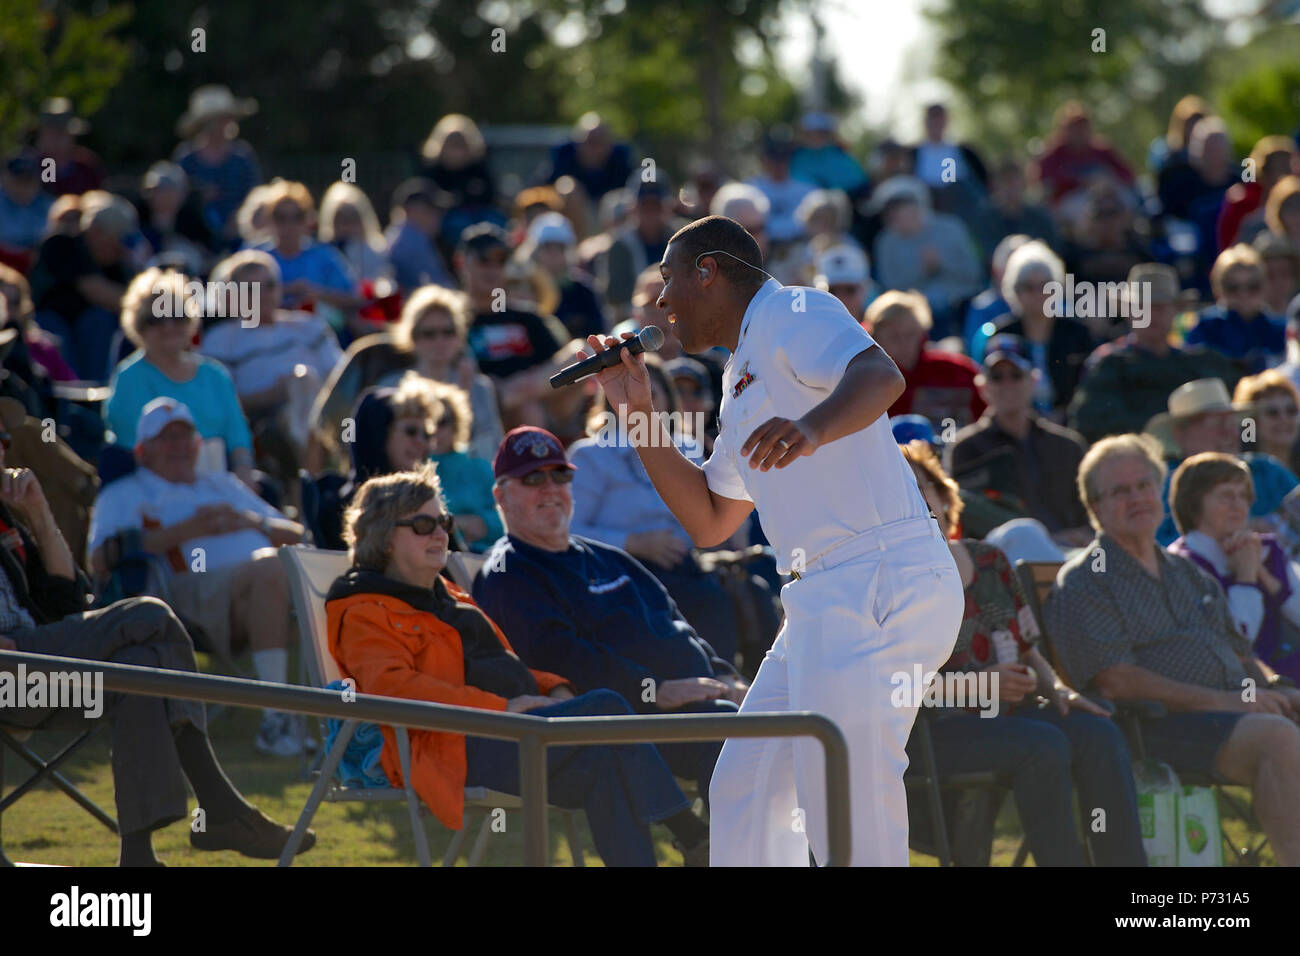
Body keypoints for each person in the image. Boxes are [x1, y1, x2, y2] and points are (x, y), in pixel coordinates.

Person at [580, 214, 964, 866]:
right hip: (823, 596)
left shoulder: (792, 308)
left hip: (874, 574)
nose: (661, 300)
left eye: (670, 277)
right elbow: (708, 521)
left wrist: (811, 428)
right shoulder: (737, 382)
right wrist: (635, 410)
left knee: (845, 803)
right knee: (745, 788)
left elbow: (881, 377)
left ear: (710, 271)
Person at [328, 462, 710, 866]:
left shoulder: (450, 596)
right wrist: (500, 708)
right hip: (455, 745)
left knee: (605, 765)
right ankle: (692, 833)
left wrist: (553, 689)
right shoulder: (363, 609)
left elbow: (506, 664)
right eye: (423, 525)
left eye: (443, 521)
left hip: (511, 732)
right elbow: (393, 691)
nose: (441, 533)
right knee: (606, 706)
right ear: (384, 537)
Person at [0, 445, 312, 865]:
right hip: (10, 679)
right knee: (148, 614)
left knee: (140, 669)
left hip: (44, 684)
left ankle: (137, 856)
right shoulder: (127, 492)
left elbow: (66, 604)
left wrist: (37, 514)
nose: (4, 453)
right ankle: (219, 805)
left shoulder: (7, 522)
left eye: (4, 442)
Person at [1046, 433, 1300, 866]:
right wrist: (1229, 701)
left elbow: (1240, 653)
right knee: (1276, 738)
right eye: (1120, 491)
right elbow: (1115, 679)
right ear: (1096, 507)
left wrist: (1277, 688)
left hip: (1230, 712)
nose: (1138, 498)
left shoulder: (1185, 572)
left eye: (1144, 485)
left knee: (1283, 721)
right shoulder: (1088, 579)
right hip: (1155, 728)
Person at [900, 440, 1146, 866]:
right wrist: (979, 686)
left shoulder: (990, 560)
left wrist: (1057, 688)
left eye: (922, 487)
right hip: (929, 729)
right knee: (1041, 744)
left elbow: (1028, 646)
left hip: (1006, 715)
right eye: (900, 491)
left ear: (945, 498)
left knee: (1098, 731)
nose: (916, 500)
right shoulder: (892, 582)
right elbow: (893, 691)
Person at [473, 426, 746, 801]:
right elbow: (560, 657)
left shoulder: (606, 556)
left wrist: (724, 675)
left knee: (781, 722)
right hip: (620, 729)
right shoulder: (510, 572)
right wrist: (655, 690)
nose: (550, 488)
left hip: (689, 707)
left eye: (560, 475)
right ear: (500, 496)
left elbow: (673, 620)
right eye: (533, 478)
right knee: (735, 734)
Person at [87, 397, 307, 756]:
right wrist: (188, 529)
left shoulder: (222, 484)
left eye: (184, 437)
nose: (178, 446)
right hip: (185, 594)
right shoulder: (124, 494)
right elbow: (100, 560)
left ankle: (357, 724)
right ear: (143, 450)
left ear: (197, 444)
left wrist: (250, 522)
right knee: (271, 568)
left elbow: (300, 535)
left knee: (322, 574)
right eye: (166, 438)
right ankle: (277, 719)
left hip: (259, 586)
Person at [568, 358, 744, 666]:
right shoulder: (590, 454)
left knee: (745, 583)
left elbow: (714, 523)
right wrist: (633, 543)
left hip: (683, 567)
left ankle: (728, 683)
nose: (642, 401)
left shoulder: (687, 447)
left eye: (652, 394)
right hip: (615, 572)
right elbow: (568, 531)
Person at [313, 285, 504, 467]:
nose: (440, 341)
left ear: (460, 337)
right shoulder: (391, 387)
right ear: (412, 337)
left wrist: (465, 399)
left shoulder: (479, 388)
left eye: (448, 332)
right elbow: (376, 451)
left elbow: (491, 453)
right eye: (429, 334)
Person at [201, 250, 342, 480]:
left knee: (304, 381)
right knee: (300, 384)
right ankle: (312, 472)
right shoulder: (221, 340)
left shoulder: (310, 326)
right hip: (264, 420)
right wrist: (272, 394)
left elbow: (341, 379)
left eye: (269, 284)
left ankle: (308, 469)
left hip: (323, 408)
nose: (263, 294)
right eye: (250, 289)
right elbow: (220, 403)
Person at [105, 268, 255, 484]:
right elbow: (133, 444)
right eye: (156, 318)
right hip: (154, 485)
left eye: (176, 315)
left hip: (220, 479)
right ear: (139, 326)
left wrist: (244, 471)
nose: (168, 326)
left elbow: (238, 436)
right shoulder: (128, 378)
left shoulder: (214, 374)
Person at [1068, 263, 1241, 443]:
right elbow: (1089, 424)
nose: (1151, 315)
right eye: (1142, 307)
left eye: (1159, 307)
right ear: (1128, 312)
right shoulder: (1108, 364)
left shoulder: (1203, 363)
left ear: (1176, 311)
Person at [949, 334, 1093, 547]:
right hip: (1003, 565)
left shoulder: (1068, 446)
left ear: (1033, 381)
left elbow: (1092, 514)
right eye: (997, 376)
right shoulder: (966, 449)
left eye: (1016, 374)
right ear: (982, 387)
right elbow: (967, 521)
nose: (1007, 384)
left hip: (1071, 559)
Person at [1168, 452, 1300, 684]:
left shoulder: (1265, 547)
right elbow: (1239, 640)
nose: (1238, 505)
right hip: (1242, 685)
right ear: (1194, 504)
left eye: (1243, 496)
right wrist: (1246, 578)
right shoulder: (1182, 563)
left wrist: (1262, 573)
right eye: (1226, 496)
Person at [1146, 377, 1299, 546]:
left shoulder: (1266, 470)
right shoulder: (1160, 486)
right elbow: (1154, 550)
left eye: (1231, 422)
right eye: (1215, 423)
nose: (1228, 431)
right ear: (1180, 435)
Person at [28, 191, 141, 382]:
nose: (120, 249)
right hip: (48, 322)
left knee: (99, 321)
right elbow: (99, 292)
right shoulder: (61, 244)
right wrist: (144, 301)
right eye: (115, 241)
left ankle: (95, 396)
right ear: (95, 232)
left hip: (89, 329)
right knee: (55, 331)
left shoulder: (117, 260)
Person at [982, 240, 1095, 420]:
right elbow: (994, 389)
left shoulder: (1077, 334)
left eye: (1045, 286)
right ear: (1015, 291)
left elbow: (1088, 388)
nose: (1038, 294)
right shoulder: (1002, 333)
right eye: (1028, 287)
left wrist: (1064, 414)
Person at [871, 175, 982, 337]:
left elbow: (974, 274)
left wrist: (942, 264)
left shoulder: (952, 228)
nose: (893, 215)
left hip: (959, 310)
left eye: (901, 207)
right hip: (911, 319)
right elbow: (890, 286)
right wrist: (923, 271)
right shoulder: (886, 241)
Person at [251, 180, 361, 336]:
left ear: (308, 220)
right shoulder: (254, 256)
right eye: (281, 217)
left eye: (297, 217)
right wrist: (281, 292)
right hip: (262, 337)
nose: (289, 225)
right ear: (270, 219)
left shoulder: (324, 255)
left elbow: (354, 298)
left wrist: (317, 294)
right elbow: (230, 301)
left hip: (317, 339)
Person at [865, 291, 984, 429]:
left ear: (922, 333)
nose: (904, 343)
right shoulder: (867, 382)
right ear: (875, 338)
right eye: (893, 336)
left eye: (910, 334)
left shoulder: (959, 372)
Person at [172, 86, 262, 244]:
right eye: (217, 120)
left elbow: (254, 194)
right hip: (194, 239)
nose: (222, 125)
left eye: (226, 119)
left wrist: (239, 218)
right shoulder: (186, 158)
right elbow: (176, 200)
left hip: (241, 235)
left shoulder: (242, 156)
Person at [426, 381, 501, 553]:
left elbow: (510, 517)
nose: (434, 430)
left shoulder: (480, 469)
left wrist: (484, 523)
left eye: (442, 421)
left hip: (482, 558)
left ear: (456, 423)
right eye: (428, 421)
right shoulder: (409, 471)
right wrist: (460, 524)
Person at [1186, 243, 1285, 373]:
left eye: (1252, 286)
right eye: (1232, 287)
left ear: (1265, 286)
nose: (1243, 294)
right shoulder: (1205, 326)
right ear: (1218, 288)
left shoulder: (1280, 329)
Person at [417, 114, 500, 247]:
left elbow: (490, 196)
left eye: (461, 145)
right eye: (452, 145)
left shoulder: (479, 169)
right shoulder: (432, 171)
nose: (457, 151)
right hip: (446, 221)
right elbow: (428, 198)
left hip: (479, 217)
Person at [521, 211, 606, 340]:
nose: (554, 254)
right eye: (547, 247)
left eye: (560, 248)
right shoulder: (521, 288)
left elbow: (600, 333)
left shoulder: (585, 290)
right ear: (535, 251)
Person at [1033, 101, 1135, 208]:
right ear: (1063, 130)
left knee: (1127, 198)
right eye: (1074, 128)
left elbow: (1128, 175)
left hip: (1106, 196)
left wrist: (1108, 179)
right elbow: (1044, 184)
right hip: (1070, 203)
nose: (1079, 132)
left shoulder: (1102, 150)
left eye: (1082, 127)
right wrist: (1078, 182)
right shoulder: (1053, 154)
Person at [134, 162, 213, 276]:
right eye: (157, 191)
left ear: (182, 194)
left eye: (169, 191)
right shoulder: (138, 221)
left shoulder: (196, 224)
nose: (163, 197)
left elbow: (208, 257)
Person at [541, 113, 635, 207]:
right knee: (566, 186)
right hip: (572, 216)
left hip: (609, 217)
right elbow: (540, 190)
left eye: (600, 141)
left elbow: (632, 195)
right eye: (590, 142)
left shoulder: (620, 162)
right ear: (577, 143)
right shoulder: (563, 160)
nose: (595, 148)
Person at [384, 177, 456, 293]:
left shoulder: (396, 234)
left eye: (439, 212)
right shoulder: (412, 241)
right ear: (411, 211)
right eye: (429, 212)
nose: (437, 218)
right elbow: (439, 289)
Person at [318, 182, 393, 283]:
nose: (347, 225)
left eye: (352, 218)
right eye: (341, 219)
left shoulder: (377, 251)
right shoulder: (323, 254)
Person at [35, 98, 105, 198]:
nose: (56, 141)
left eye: (61, 134)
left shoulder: (86, 166)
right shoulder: (30, 166)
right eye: (51, 134)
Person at [1234, 369, 1300, 475]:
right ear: (1252, 421)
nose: (1284, 419)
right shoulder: (1241, 473)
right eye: (1273, 413)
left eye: (1291, 411)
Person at [0, 150, 54, 270]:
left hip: (38, 269)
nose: (23, 187)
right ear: (4, 179)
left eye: (28, 180)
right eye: (18, 181)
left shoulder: (51, 206)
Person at [812, 243, 872, 323]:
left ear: (864, 291)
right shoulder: (809, 331)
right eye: (831, 291)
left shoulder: (881, 333)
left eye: (850, 290)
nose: (840, 298)